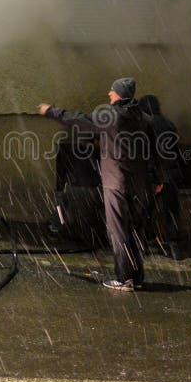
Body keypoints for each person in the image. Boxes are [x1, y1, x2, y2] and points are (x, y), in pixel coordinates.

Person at [39, 77, 152, 292]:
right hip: (140, 184)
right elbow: (153, 150)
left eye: (112, 90)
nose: (109, 93)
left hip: (116, 182)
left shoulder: (110, 114)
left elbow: (79, 120)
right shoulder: (143, 118)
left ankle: (124, 279)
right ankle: (136, 277)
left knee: (118, 230)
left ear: (119, 93)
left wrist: (51, 111)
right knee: (134, 230)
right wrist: (155, 179)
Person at [139, 94, 185, 260]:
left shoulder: (145, 125)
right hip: (172, 174)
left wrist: (155, 179)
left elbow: (148, 154)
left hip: (154, 176)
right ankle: (174, 248)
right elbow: (174, 152)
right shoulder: (169, 124)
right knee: (171, 212)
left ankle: (142, 246)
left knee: (144, 212)